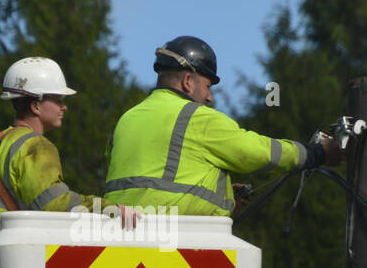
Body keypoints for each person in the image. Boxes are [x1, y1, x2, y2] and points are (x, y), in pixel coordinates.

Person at [104, 36, 342, 216]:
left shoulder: (126, 120)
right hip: (176, 246)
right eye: (208, 87)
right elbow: (256, 152)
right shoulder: (196, 117)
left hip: (117, 243)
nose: (209, 98)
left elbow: (155, 180)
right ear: (188, 81)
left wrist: (226, 194)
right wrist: (317, 153)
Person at [0, 57, 132, 223]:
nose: (64, 107)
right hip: (18, 247)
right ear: (36, 106)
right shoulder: (35, 146)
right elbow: (55, 204)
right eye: (58, 100)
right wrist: (108, 207)